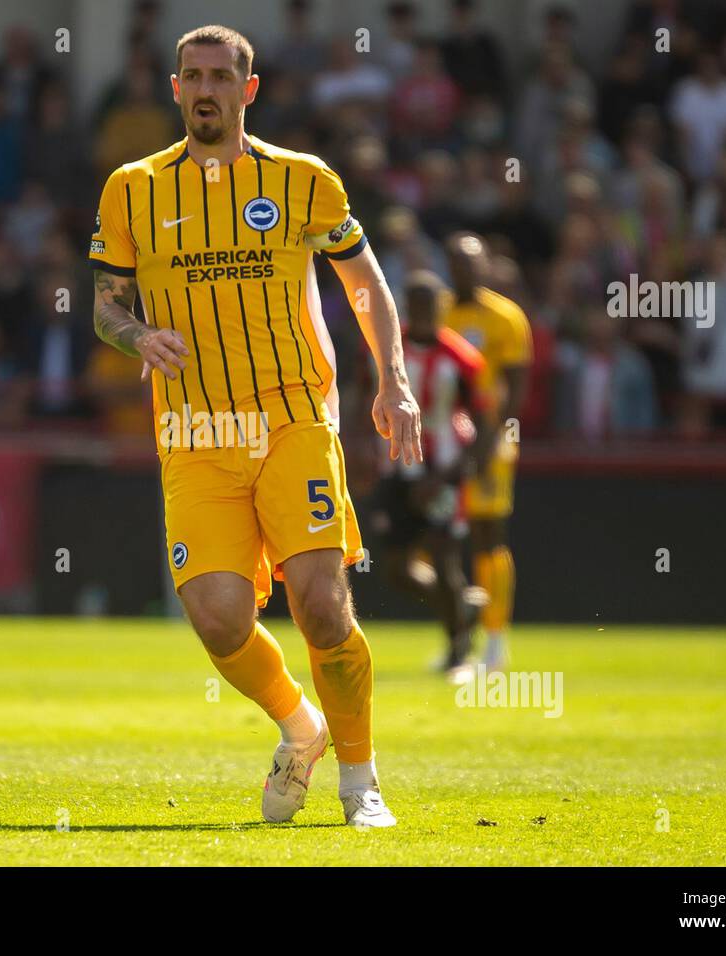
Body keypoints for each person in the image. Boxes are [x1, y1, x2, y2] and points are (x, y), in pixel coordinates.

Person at [89, 26, 421, 828]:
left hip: (292, 416)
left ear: (249, 89)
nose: (205, 88)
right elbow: (104, 305)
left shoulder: (304, 181)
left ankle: (359, 782)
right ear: (175, 89)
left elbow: (364, 283)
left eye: (220, 76)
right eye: (191, 76)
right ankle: (301, 727)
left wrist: (395, 380)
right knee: (218, 618)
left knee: (322, 605)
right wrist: (137, 335)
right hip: (195, 430)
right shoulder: (130, 188)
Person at [375, 271, 487, 677]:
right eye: (416, 305)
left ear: (441, 308)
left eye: (430, 306)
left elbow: (484, 421)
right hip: (396, 466)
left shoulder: (461, 358)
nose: (423, 314)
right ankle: (463, 608)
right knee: (395, 569)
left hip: (442, 470)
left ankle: (460, 650)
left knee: (445, 559)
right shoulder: (387, 348)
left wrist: (451, 475)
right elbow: (359, 393)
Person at [441, 233, 532, 674]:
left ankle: (495, 638)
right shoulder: (437, 311)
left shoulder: (505, 317)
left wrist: (493, 438)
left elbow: (515, 389)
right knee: (439, 542)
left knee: (487, 536)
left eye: (473, 263)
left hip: (489, 440)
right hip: (442, 440)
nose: (465, 272)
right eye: (457, 264)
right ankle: (459, 638)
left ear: (486, 266)